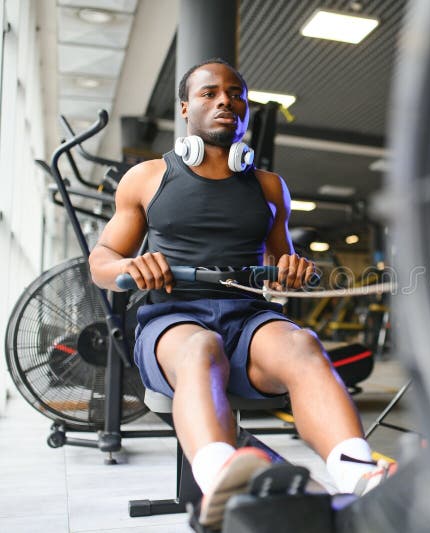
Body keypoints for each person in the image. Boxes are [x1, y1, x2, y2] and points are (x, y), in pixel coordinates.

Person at [88, 58, 392, 529]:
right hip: (172, 319)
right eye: (209, 93)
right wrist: (131, 265)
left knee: (303, 345)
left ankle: (357, 474)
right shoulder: (147, 178)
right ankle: (221, 483)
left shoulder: (269, 186)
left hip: (248, 320)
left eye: (236, 94)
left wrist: (292, 269)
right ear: (186, 108)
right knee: (200, 348)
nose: (225, 100)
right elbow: (102, 260)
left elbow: (279, 266)